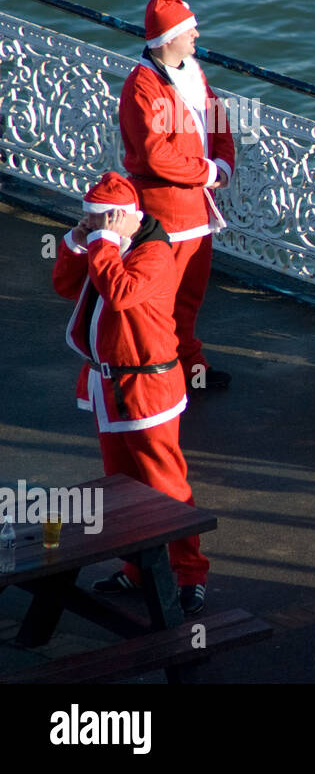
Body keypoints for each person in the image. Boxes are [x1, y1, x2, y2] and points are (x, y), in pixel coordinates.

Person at [52, 172, 209, 614]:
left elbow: (118, 293)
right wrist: (76, 240)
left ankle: (191, 573)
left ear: (125, 218)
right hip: (109, 384)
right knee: (123, 487)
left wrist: (100, 242)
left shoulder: (155, 255)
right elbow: (65, 285)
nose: (94, 223)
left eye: (102, 217)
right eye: (89, 216)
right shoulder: (109, 247)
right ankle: (139, 568)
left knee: (165, 486)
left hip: (147, 388)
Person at [118, 0, 235, 392]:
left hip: (197, 210)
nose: (197, 34)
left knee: (189, 298)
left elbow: (217, 115)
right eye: (190, 29)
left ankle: (190, 369)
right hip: (165, 213)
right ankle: (161, 376)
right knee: (162, 303)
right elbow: (154, 156)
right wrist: (208, 171)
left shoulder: (192, 71)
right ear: (169, 38)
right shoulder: (142, 85)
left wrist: (226, 162)